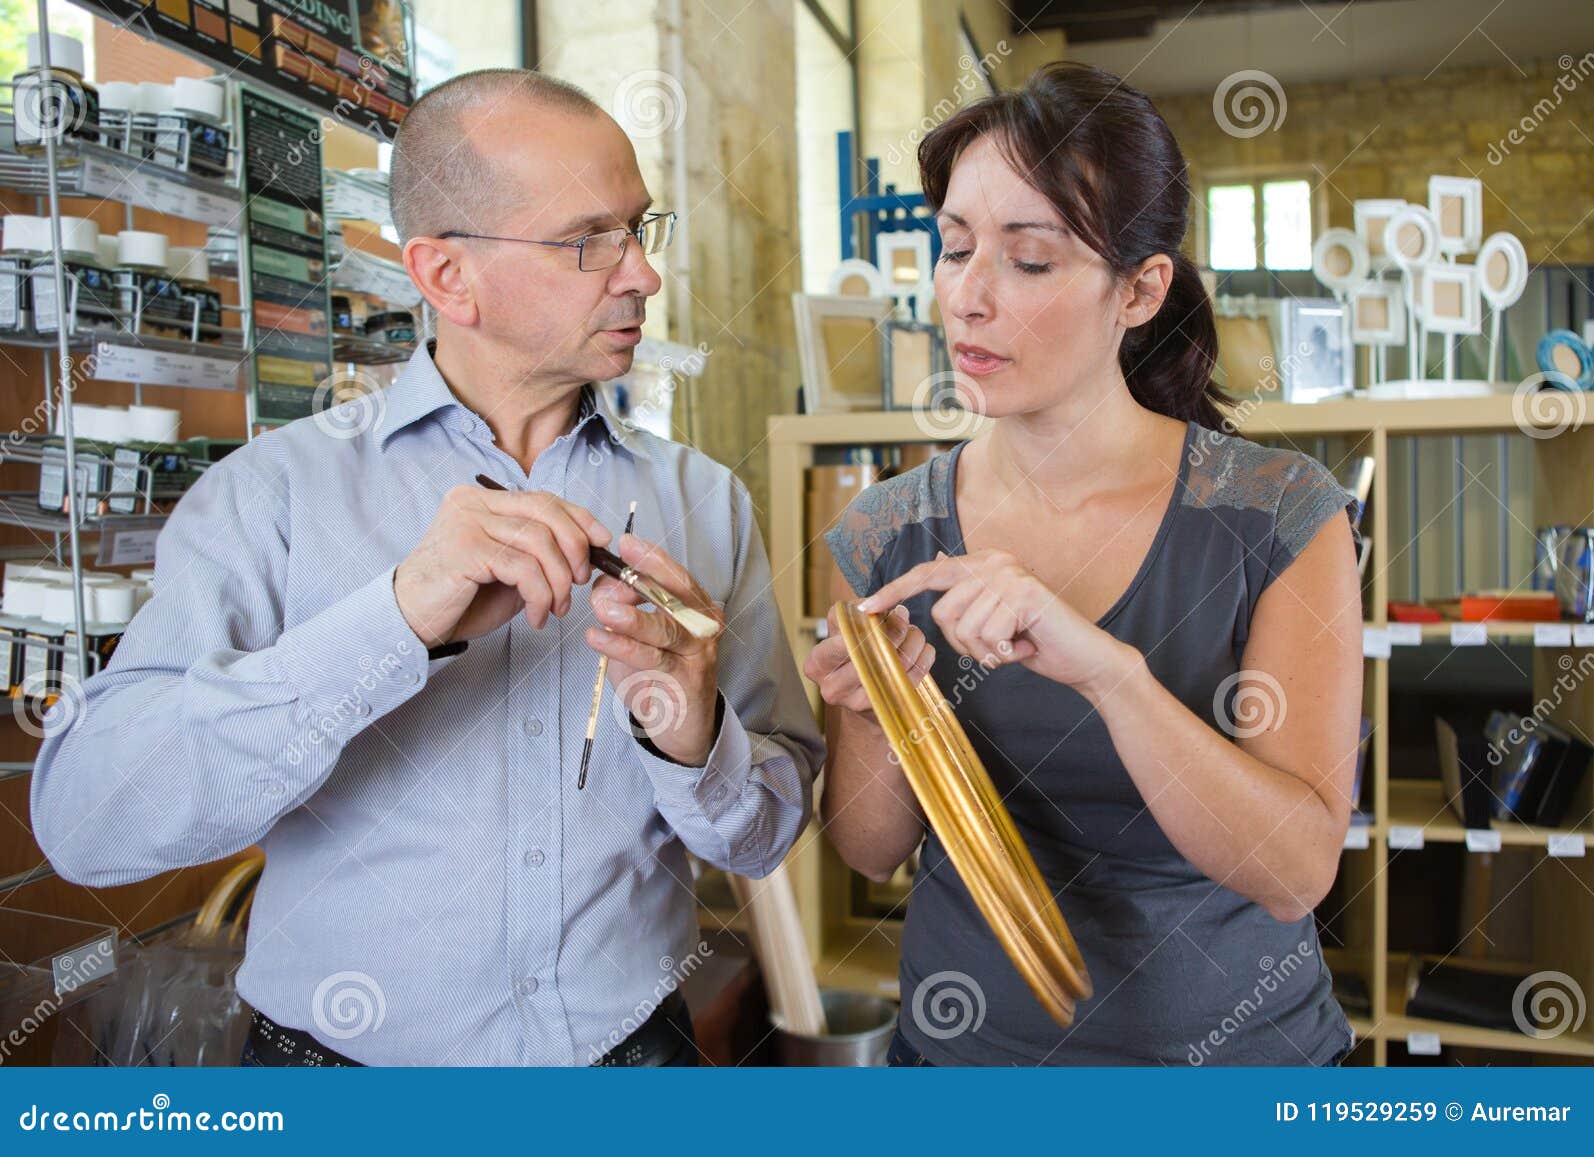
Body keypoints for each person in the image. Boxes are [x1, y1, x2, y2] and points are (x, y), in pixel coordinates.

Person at [31, 69, 823, 1067]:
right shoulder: (269, 495)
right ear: (448, 276)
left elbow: (761, 838)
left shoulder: (702, 503)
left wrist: (691, 729)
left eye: (639, 228)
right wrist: (393, 621)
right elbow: (91, 822)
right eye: (590, 240)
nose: (641, 277)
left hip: (635, 1061)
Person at [806, 63, 1362, 1067]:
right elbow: (870, 848)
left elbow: (1292, 869)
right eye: (955, 249)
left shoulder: (1278, 512)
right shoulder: (885, 530)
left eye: (1028, 261)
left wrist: (1107, 669)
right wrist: (876, 700)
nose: (968, 298)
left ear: (1140, 289)